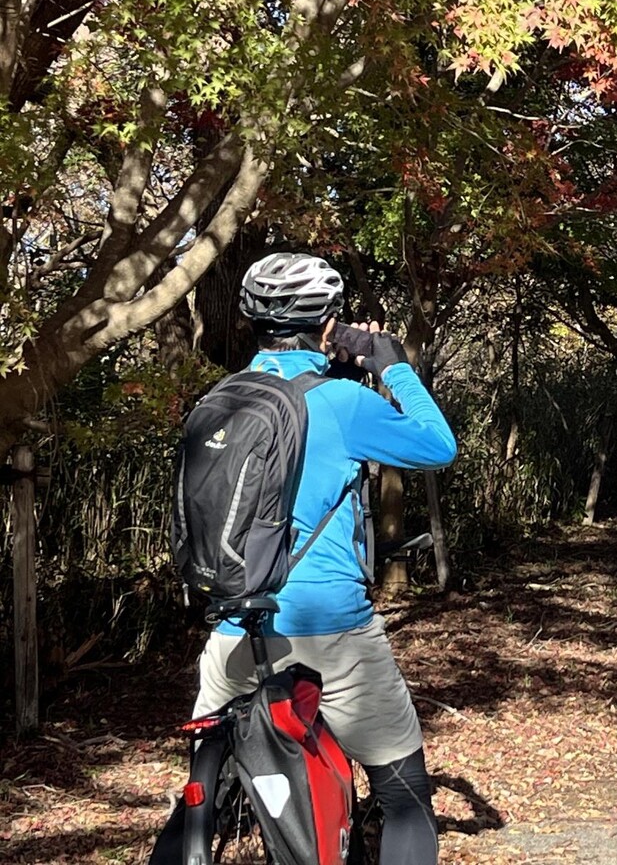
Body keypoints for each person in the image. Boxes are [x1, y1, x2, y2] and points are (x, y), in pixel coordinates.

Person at [154, 251, 456, 865]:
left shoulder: (221, 398)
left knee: (194, 806)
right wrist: (392, 366)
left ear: (250, 321)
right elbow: (437, 445)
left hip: (233, 629)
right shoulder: (344, 403)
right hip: (329, 633)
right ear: (327, 323)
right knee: (405, 796)